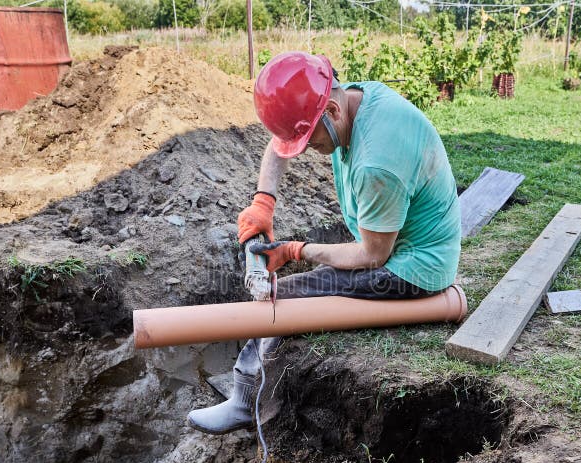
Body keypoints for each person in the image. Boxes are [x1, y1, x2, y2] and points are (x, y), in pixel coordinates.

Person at [187, 51, 461, 434]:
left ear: (331, 111)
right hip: (396, 244)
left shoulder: (375, 164)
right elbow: (283, 140)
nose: (306, 150)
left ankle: (246, 402)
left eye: (308, 141)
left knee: (286, 296)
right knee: (316, 281)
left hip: (412, 266)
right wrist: (263, 202)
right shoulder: (356, 99)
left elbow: (372, 254)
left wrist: (296, 250)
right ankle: (248, 393)